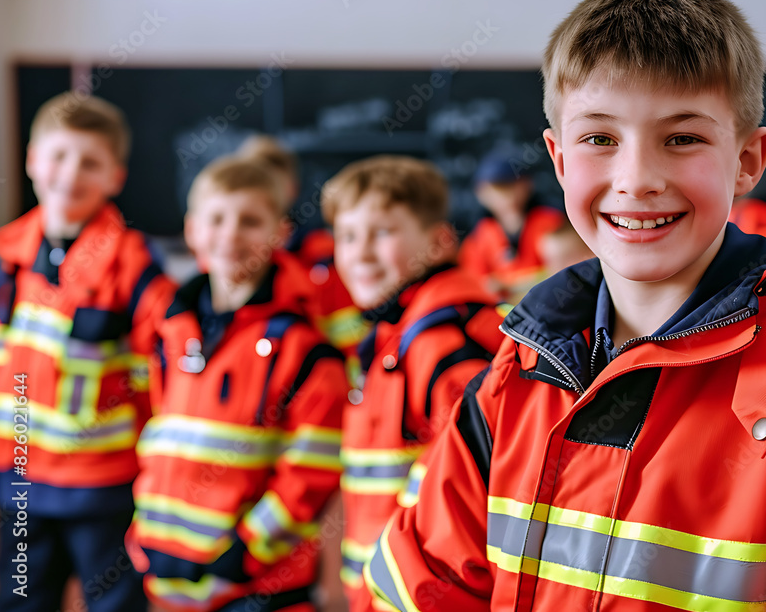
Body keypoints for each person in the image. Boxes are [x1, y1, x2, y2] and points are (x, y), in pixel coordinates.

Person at [363, 0, 766, 610]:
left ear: (747, 161)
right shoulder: (511, 382)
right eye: (600, 139)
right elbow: (416, 586)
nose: (638, 179)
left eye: (682, 138)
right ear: (559, 159)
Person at [127, 156, 349, 612]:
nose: (230, 235)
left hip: (256, 586)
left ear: (280, 234)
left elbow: (311, 472)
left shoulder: (304, 348)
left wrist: (247, 554)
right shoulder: (170, 330)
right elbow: (157, 438)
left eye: (250, 221)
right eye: (216, 219)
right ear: (191, 230)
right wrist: (141, 536)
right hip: (166, 573)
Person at [0, 92, 175, 611]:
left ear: (114, 177)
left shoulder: (133, 265)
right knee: (19, 602)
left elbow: (166, 366)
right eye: (58, 156)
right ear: (31, 159)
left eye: (90, 162)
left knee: (114, 605)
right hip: (18, 481)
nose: (70, 173)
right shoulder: (6, 254)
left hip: (102, 487)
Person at [321, 155, 507, 611]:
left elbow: (463, 486)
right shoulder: (399, 334)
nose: (360, 253)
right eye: (346, 236)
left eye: (382, 233)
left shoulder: (439, 345)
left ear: (440, 242)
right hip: (389, 591)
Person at [237, 135, 368, 385]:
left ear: (291, 188)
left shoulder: (326, 257)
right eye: (253, 180)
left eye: (272, 182)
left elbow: (350, 340)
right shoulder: (221, 263)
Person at [458, 146, 564, 302]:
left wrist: (509, 285)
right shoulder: (479, 236)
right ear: (481, 193)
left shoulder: (551, 223)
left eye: (511, 185)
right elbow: (474, 284)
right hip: (501, 317)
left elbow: (565, 271)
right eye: (497, 188)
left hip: (550, 304)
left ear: (527, 185)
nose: (506, 195)